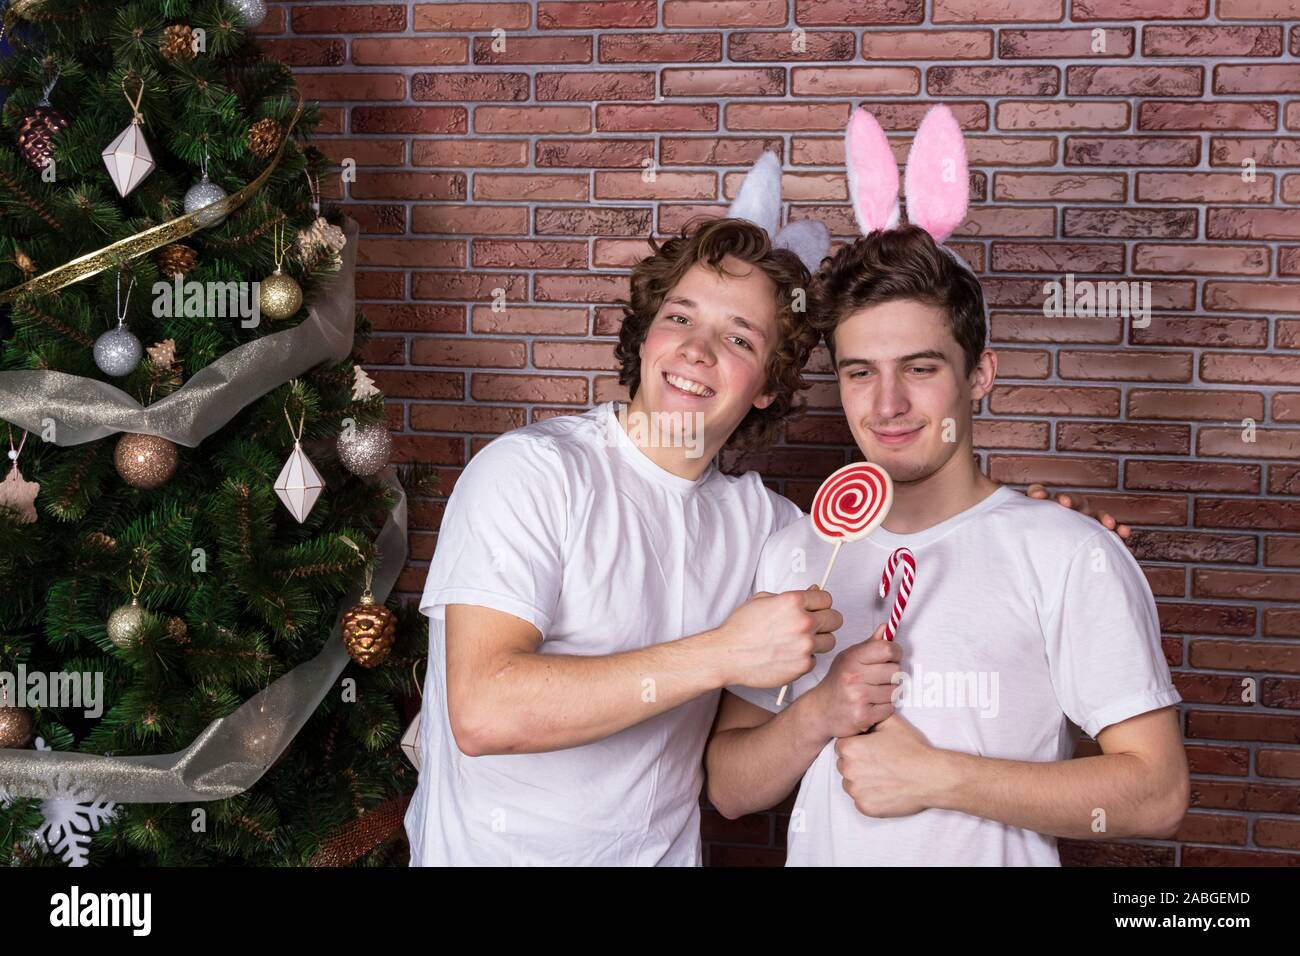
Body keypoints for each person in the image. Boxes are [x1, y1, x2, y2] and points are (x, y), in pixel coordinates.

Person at [405, 159, 1129, 868]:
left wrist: (1029, 527)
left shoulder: (772, 530)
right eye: (680, 316)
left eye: (739, 338)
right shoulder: (531, 473)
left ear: (765, 385)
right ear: (647, 332)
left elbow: (924, 539)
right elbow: (484, 712)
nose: (695, 349)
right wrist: (723, 652)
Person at [704, 106, 1188, 866]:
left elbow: (1155, 795)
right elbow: (731, 788)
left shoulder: (1068, 552)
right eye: (861, 372)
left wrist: (938, 777)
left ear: (980, 374)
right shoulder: (796, 552)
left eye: (921, 369)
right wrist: (820, 714)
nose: (887, 405)